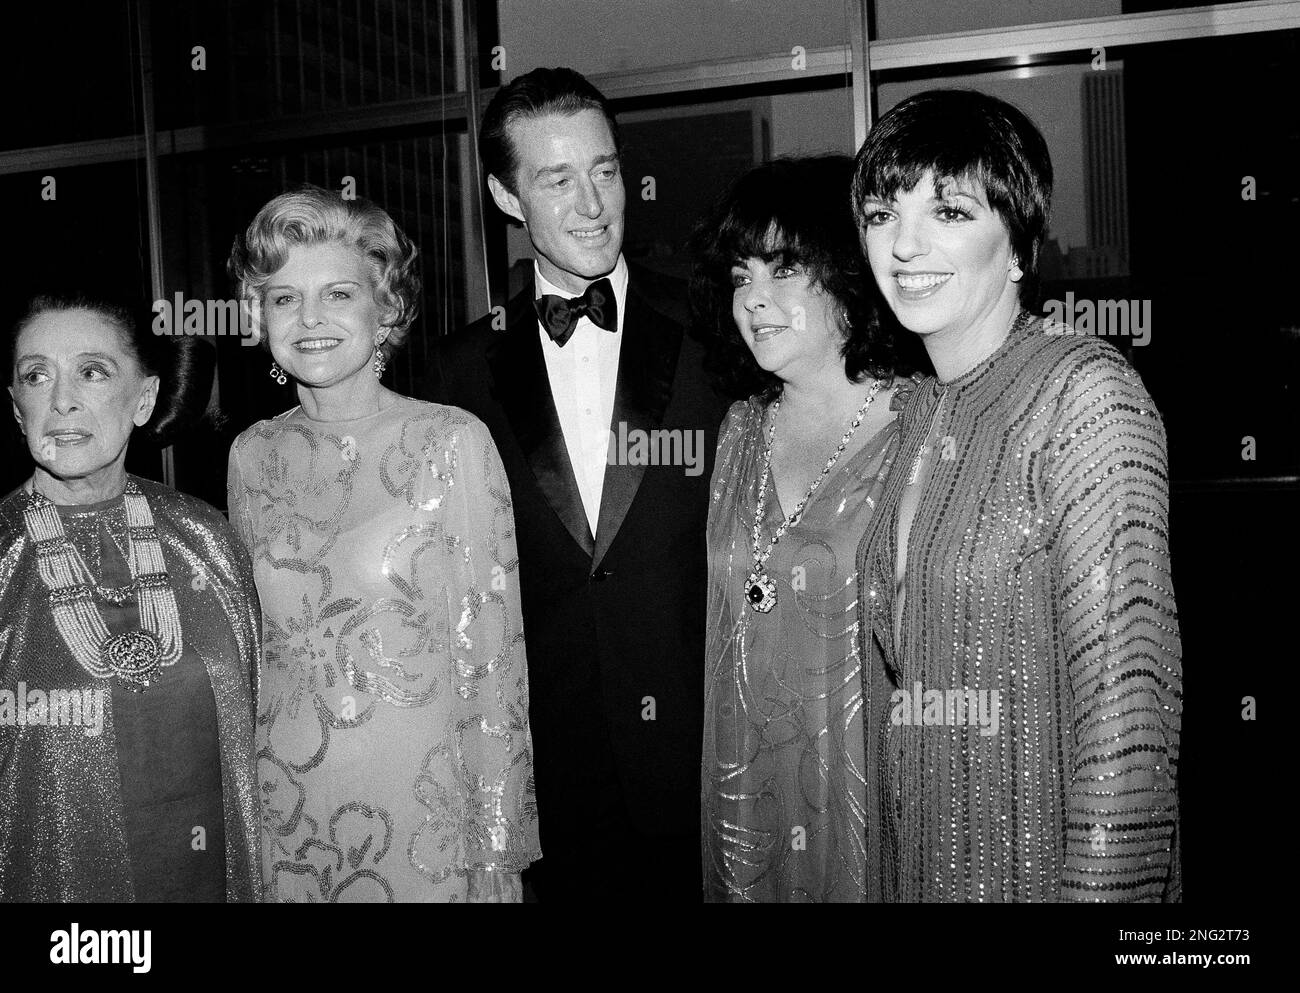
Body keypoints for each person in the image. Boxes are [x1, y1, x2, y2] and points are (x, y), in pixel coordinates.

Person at [850, 89, 1182, 901]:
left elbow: (1129, 718)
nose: (905, 244)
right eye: (883, 212)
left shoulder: (1084, 395)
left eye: (951, 211)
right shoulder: (918, 413)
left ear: (1021, 245)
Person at [430, 67, 730, 902]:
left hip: (705, 774)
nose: (594, 202)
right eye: (557, 179)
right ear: (505, 195)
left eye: (604, 170)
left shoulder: (719, 333)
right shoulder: (458, 370)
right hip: (549, 791)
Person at [226, 185, 539, 902]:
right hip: (290, 812)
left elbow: (495, 664)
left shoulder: (451, 442)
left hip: (425, 821)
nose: (309, 319)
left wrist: (498, 847)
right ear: (258, 314)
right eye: (282, 298)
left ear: (386, 307)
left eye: (338, 293)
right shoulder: (251, 454)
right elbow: (259, 657)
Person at [693, 156, 921, 902]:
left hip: (874, 796)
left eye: (784, 268)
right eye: (740, 276)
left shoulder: (920, 426)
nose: (754, 299)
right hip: (747, 795)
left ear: (848, 274)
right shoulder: (738, 431)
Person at [0, 292, 261, 902]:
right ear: (17, 410)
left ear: (143, 399)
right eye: (36, 377)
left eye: (92, 372)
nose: (62, 400)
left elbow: (256, 731)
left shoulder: (205, 537)